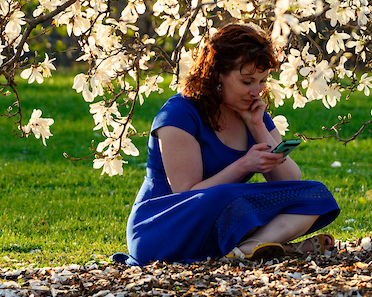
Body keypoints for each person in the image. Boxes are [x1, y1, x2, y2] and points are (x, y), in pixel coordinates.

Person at [114, 23, 340, 265]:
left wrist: (256, 126)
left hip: (219, 215)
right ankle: (273, 246)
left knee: (315, 193)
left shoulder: (252, 111)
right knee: (230, 200)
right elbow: (188, 194)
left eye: (262, 81)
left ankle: (252, 247)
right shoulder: (179, 114)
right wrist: (244, 165)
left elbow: (291, 181)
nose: (256, 91)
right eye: (247, 81)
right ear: (217, 73)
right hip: (162, 227)